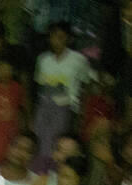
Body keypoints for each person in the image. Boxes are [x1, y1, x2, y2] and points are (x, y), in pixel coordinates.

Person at [33, 23, 93, 171]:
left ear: (69, 39)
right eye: (52, 36)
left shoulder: (78, 59)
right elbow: (40, 86)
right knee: (40, 141)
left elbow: (86, 86)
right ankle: (39, 173)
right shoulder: (43, 59)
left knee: (59, 145)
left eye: (60, 37)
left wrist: (82, 113)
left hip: (67, 108)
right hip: (44, 106)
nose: (56, 40)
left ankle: (54, 175)